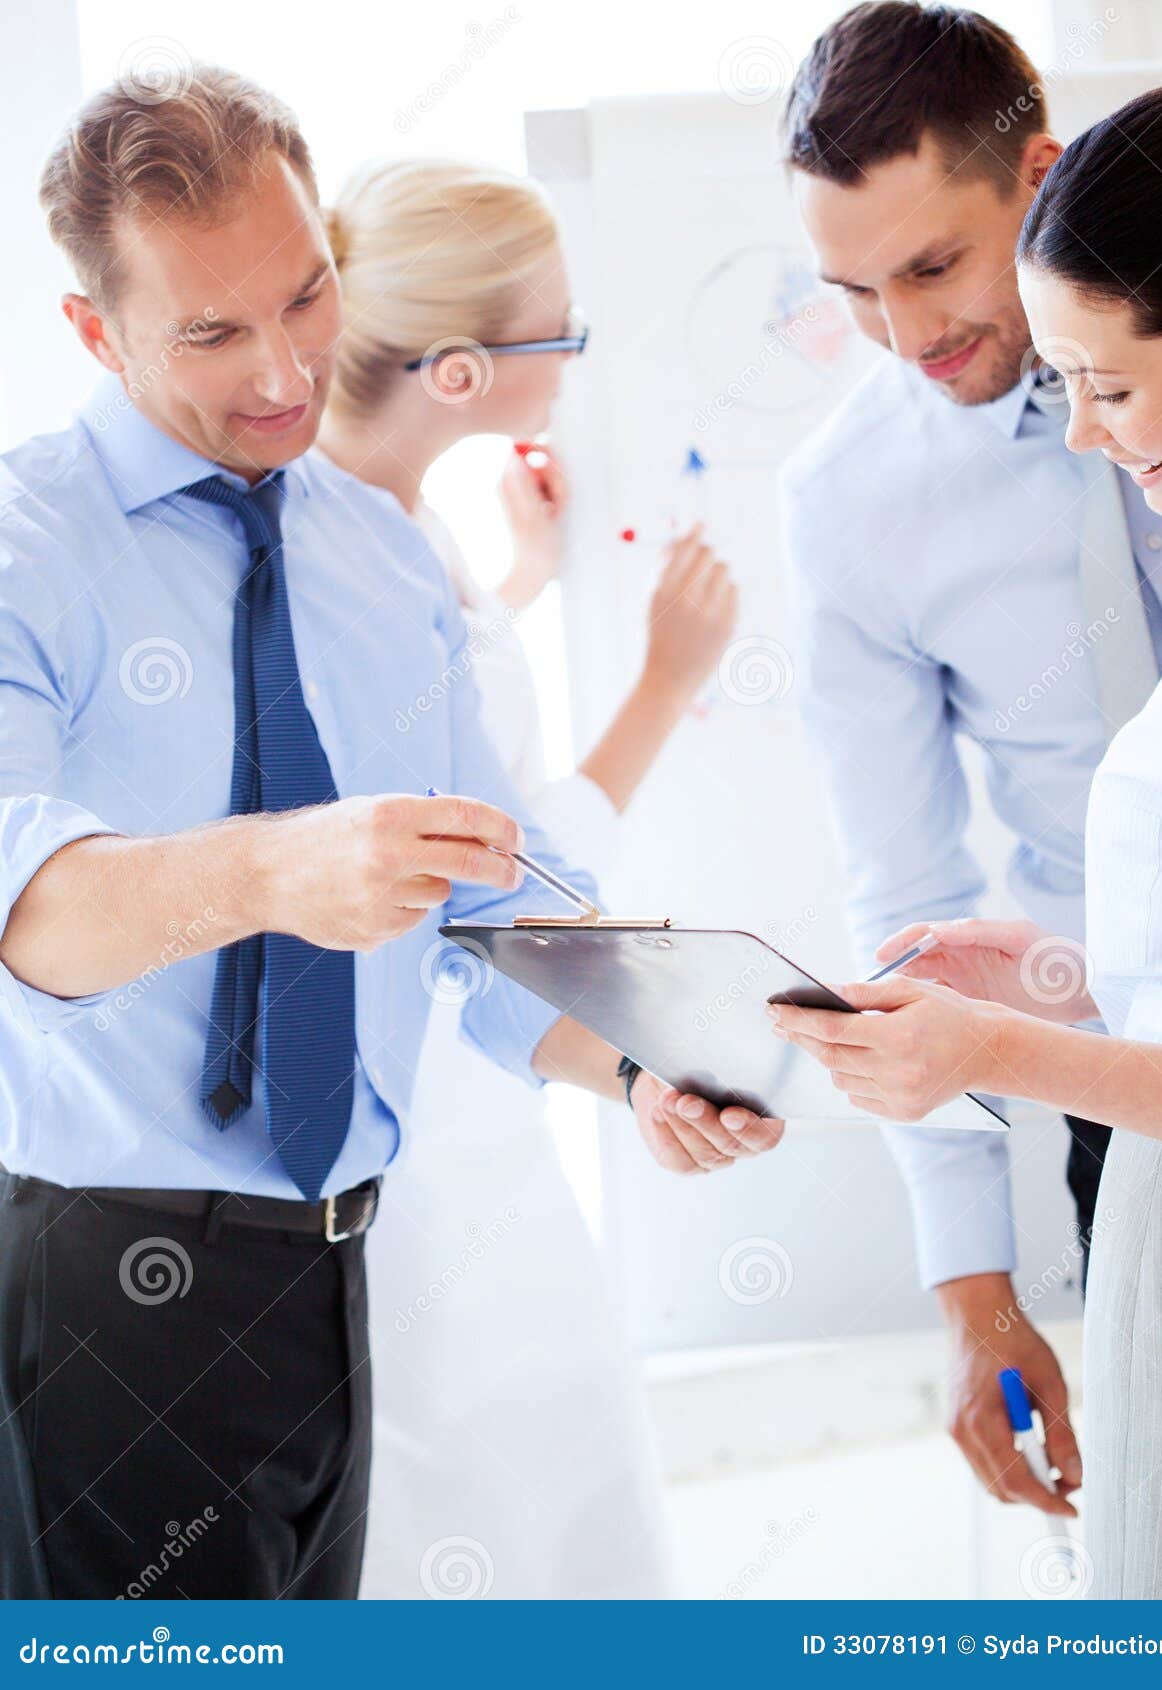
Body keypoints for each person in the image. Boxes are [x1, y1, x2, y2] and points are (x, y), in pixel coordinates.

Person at [0, 65, 784, 1601]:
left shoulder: (380, 553)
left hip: (338, 1280)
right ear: (96, 332)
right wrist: (281, 868)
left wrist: (638, 1064)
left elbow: (475, 934)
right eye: (214, 333)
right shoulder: (29, 545)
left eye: (306, 299)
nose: (289, 371)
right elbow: (24, 907)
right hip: (106, 1292)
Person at [770, 78, 1162, 1600]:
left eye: (932, 268)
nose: (900, 334)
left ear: (1033, 181)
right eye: (849, 293)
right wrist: (1043, 984)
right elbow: (910, 877)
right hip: (1135, 1092)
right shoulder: (851, 500)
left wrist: (998, 1041)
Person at [318, 158, 737, 1598]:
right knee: (511, 1503)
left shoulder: (384, 520)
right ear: (455, 370)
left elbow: (433, 750)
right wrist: (664, 688)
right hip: (431, 1128)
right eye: (560, 336)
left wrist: (522, 581)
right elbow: (504, 870)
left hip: (462, 1101)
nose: (574, 362)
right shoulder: (356, 554)